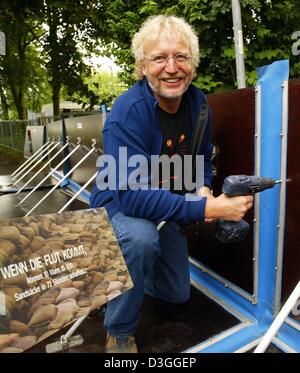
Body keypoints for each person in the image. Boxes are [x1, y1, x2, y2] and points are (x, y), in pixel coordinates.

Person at [89, 15, 253, 353]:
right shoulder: (126, 114)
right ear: (142, 67)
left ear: (192, 63)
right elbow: (133, 199)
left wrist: (204, 188)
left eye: (181, 56)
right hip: (119, 207)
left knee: (178, 292)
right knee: (141, 238)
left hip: (162, 202)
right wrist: (208, 206)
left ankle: (121, 274)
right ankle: (119, 328)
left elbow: (203, 157)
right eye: (160, 58)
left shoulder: (199, 106)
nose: (171, 67)